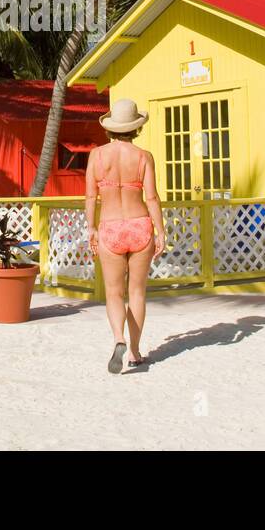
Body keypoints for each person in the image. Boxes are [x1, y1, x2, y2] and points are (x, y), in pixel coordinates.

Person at [85, 98, 166, 374]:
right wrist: (161, 231)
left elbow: (90, 197)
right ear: (136, 128)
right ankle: (134, 351)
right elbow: (152, 198)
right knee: (137, 292)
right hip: (139, 225)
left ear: (110, 128)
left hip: (110, 227)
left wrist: (91, 228)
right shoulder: (143, 156)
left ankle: (118, 338)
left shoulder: (97, 156)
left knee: (114, 293)